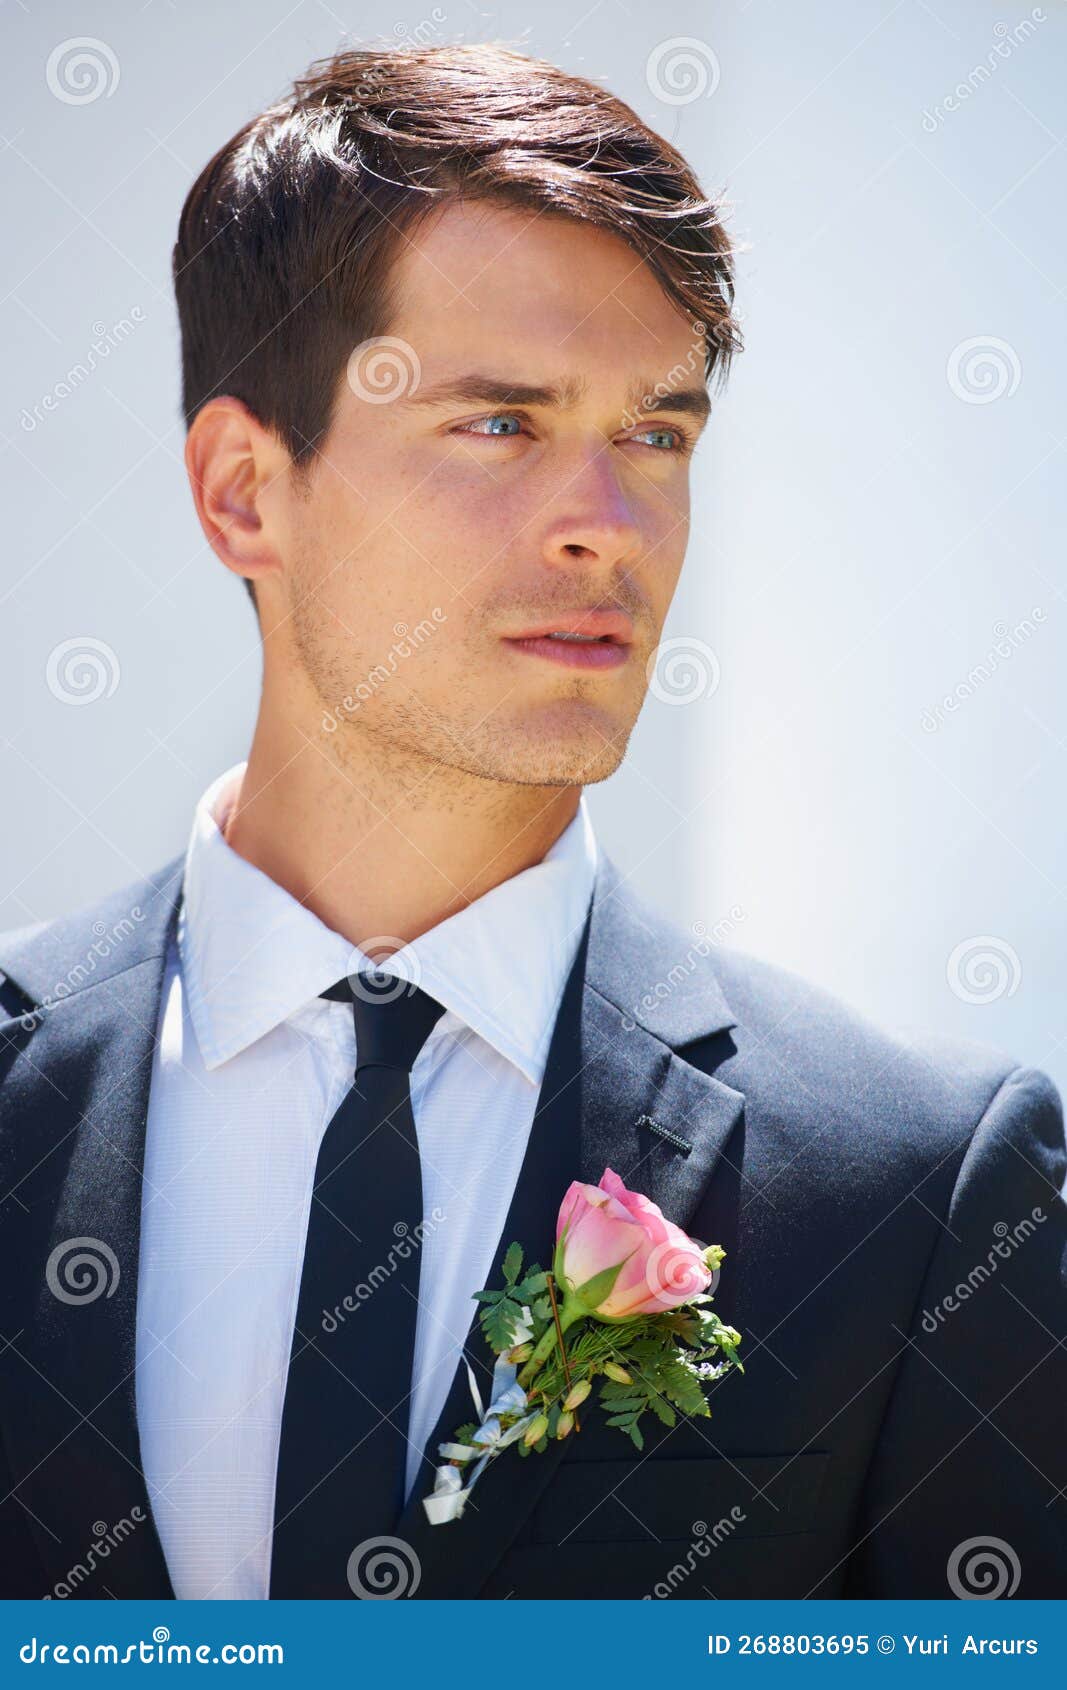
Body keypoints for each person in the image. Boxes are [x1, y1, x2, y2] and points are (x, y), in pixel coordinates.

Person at [0, 41, 1063, 1603]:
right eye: (502, 423)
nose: (608, 523)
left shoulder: (918, 1190)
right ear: (243, 490)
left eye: (657, 433)